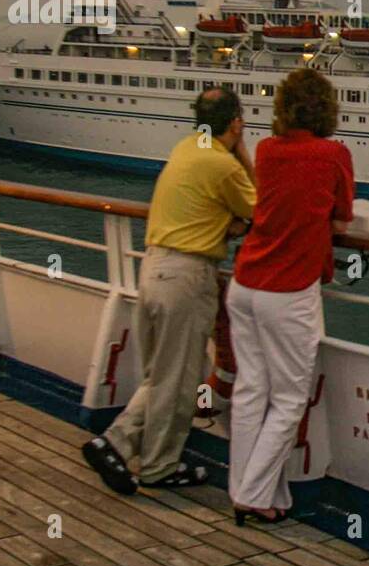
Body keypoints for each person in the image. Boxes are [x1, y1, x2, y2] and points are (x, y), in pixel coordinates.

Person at [82, 87, 256, 494]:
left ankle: (136, 454)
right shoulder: (222, 165)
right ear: (236, 122)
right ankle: (135, 454)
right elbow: (258, 208)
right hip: (187, 274)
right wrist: (243, 152)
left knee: (164, 375)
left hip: (155, 264)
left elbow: (204, 203)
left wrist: (224, 221)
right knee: (177, 378)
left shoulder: (185, 149)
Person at [225, 68, 353, 525]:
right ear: (327, 110)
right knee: (289, 398)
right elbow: (340, 221)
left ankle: (258, 493)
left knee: (251, 390)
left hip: (244, 283)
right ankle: (252, 494)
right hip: (288, 289)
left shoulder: (266, 149)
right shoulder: (334, 153)